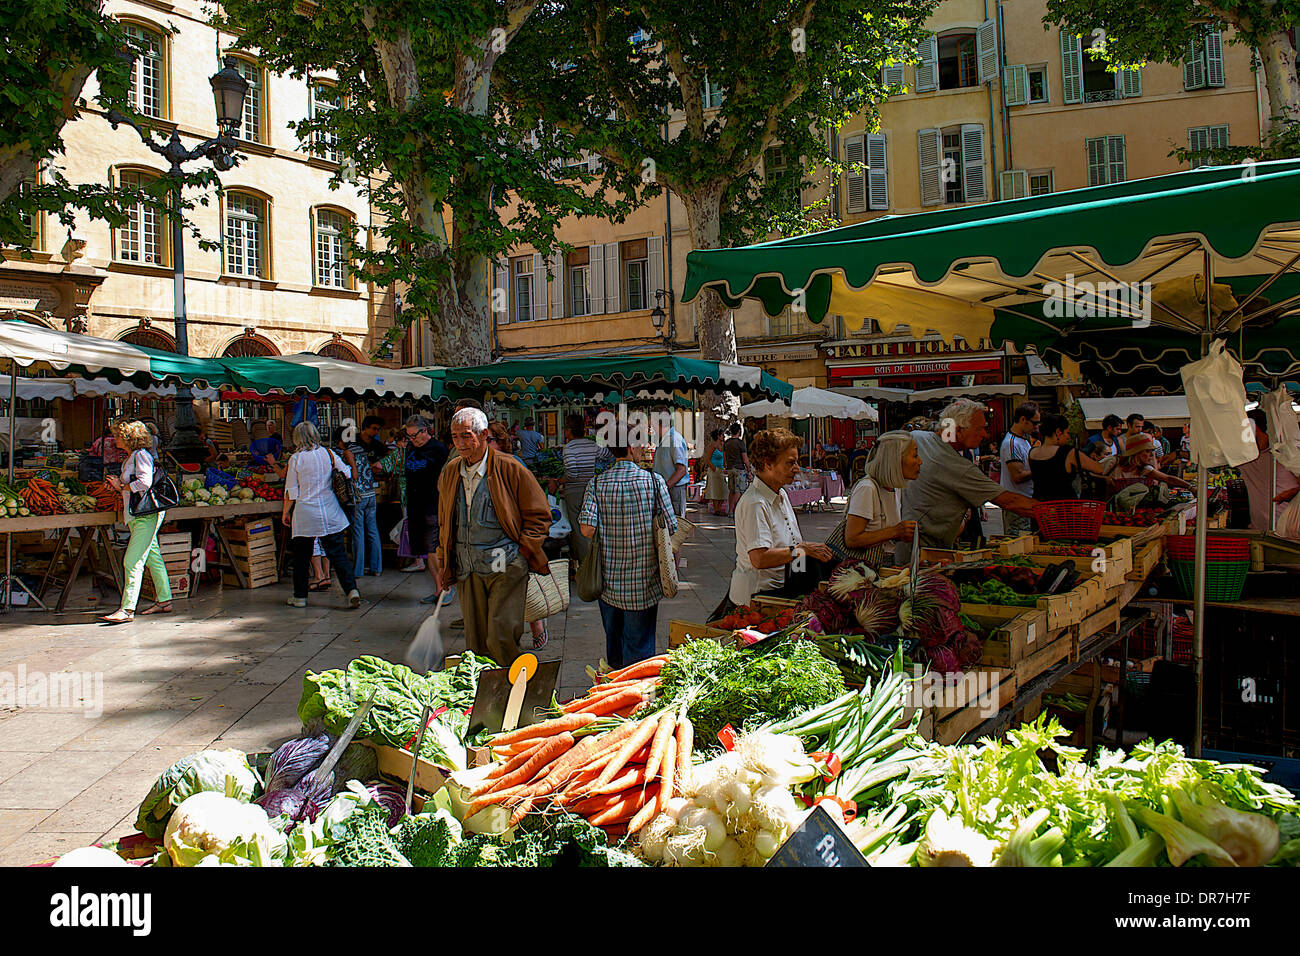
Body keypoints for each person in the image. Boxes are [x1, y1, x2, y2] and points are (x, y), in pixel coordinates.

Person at [436, 407, 552, 665]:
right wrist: (445, 559)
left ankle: (510, 692)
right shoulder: (451, 471)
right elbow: (446, 519)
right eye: (455, 437)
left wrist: (523, 550)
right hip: (469, 565)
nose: (460, 443)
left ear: (484, 434)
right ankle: (480, 694)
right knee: (475, 642)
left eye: (467, 436)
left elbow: (540, 515)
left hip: (504, 561)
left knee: (501, 635)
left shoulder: (509, 467)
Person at [896, 399, 1037, 564]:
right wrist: (1053, 514)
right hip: (926, 557)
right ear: (958, 430)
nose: (985, 434)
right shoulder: (958, 467)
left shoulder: (916, 438)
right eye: (980, 429)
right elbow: (1011, 502)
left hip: (906, 550)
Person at [579, 441, 678, 668]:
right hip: (644, 584)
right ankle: (637, 695)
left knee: (614, 647)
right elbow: (670, 526)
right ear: (631, 447)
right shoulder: (654, 482)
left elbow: (586, 528)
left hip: (608, 584)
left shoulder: (597, 483)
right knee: (640, 650)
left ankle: (614, 688)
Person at [729, 428, 834, 607]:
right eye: (790, 463)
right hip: (756, 599)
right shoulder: (756, 503)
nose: (797, 468)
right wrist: (803, 550)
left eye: (797, 462)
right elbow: (759, 559)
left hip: (782, 591)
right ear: (768, 463)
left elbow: (791, 544)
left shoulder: (781, 494)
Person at [99, 420, 172, 623]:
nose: (115, 439)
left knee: (132, 561)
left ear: (128, 438)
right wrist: (119, 484)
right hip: (139, 516)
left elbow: (144, 483)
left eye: (118, 436)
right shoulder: (133, 456)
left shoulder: (141, 455)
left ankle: (127, 609)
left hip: (145, 516)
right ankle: (165, 600)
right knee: (152, 557)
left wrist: (121, 486)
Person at [282, 422, 360, 609]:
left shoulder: (296, 459)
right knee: (338, 553)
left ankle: (300, 597)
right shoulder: (329, 453)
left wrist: (285, 512)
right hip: (329, 511)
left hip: (305, 513)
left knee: (302, 556)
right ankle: (352, 590)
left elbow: (291, 491)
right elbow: (347, 473)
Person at [829, 430, 920, 565]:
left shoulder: (894, 489)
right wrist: (896, 531)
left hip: (885, 564)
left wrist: (902, 533)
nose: (920, 461)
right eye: (915, 455)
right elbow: (852, 539)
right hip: (864, 569)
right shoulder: (868, 489)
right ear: (895, 459)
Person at [401, 415, 450, 605]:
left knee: (433, 549)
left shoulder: (438, 449)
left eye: (414, 435)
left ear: (425, 431)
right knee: (425, 550)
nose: (412, 439)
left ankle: (444, 589)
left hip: (433, 506)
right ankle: (439, 589)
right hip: (415, 507)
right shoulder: (411, 448)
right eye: (409, 436)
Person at [561, 413, 613, 562]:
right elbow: (610, 455)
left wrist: (560, 480)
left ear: (569, 430)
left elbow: (572, 473)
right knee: (591, 526)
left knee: (578, 531)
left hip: (574, 493)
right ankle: (594, 560)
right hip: (592, 491)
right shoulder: (592, 445)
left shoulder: (569, 448)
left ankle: (585, 564)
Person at [1028, 413, 1112, 502]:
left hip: (1041, 507)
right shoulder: (1068, 453)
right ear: (1058, 432)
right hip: (1065, 508)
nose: (1068, 437)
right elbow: (1099, 469)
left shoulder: (1032, 452)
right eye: (1067, 432)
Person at [1240, 408, 1300, 531]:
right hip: (1258, 530)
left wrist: (1291, 493)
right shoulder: (1244, 457)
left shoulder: (1285, 454)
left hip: (1288, 531)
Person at [339, 425, 382, 579]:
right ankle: (376, 568)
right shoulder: (361, 450)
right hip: (371, 494)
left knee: (358, 532)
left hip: (359, 497)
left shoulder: (348, 452)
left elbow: (354, 474)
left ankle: (357, 570)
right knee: (372, 530)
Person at [998, 402, 1040, 535]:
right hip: (1017, 505)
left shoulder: (1024, 440)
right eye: (1034, 423)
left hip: (1025, 502)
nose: (1036, 427)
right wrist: (1040, 470)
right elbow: (1017, 476)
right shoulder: (1012, 443)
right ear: (1023, 419)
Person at [1110, 432, 1191, 491]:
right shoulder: (1114, 462)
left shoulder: (1144, 469)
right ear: (1137, 453)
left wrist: (1190, 487)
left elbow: (1168, 479)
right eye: (1147, 451)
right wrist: (1106, 479)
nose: (1151, 455)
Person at [652, 413, 690, 519]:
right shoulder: (664, 439)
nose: (651, 426)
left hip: (674, 490)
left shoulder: (675, 439)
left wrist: (666, 486)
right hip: (666, 489)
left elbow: (681, 470)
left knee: (676, 524)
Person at [723, 422, 753, 516]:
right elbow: (745, 458)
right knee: (738, 491)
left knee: (731, 491)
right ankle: (736, 510)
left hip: (730, 469)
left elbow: (724, 458)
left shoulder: (727, 443)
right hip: (739, 469)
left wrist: (726, 467)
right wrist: (748, 469)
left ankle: (730, 511)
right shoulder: (740, 443)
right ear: (739, 431)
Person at [703, 429, 729, 515]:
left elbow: (724, 458)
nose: (724, 436)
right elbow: (708, 459)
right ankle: (716, 509)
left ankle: (718, 508)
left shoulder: (723, 446)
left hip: (721, 470)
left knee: (723, 489)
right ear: (718, 436)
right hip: (714, 470)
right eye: (722, 435)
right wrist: (713, 468)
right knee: (714, 490)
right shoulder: (713, 446)